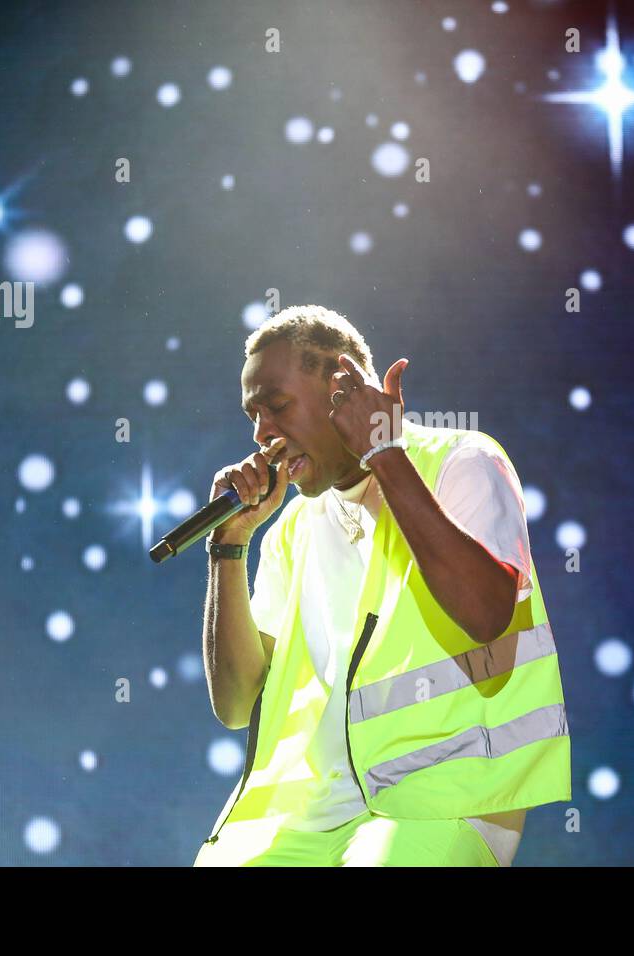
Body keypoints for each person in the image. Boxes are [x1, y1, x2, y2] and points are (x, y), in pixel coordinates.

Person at [193, 305, 570, 867]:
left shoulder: (461, 462)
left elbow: (487, 615)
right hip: (307, 815)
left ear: (344, 388)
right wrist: (229, 545)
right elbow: (235, 705)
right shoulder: (290, 531)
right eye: (253, 415)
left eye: (277, 407)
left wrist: (384, 453)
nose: (262, 433)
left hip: (442, 801)